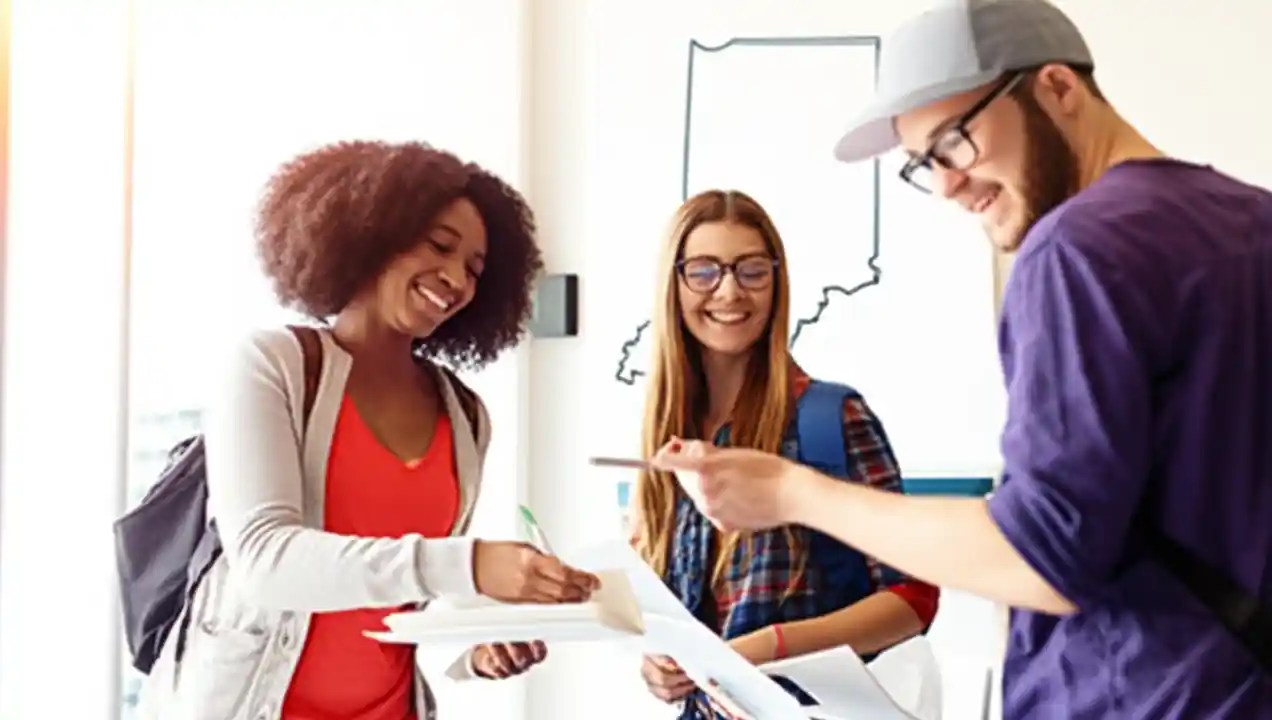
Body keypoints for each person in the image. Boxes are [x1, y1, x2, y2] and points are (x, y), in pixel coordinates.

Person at [650, 1, 1272, 718]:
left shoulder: (1079, 249)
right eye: (925, 163)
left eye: (956, 140)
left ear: (1058, 89)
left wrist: (794, 493)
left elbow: (1042, 554)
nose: (946, 184)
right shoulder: (1251, 223)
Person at [138, 140, 599, 720]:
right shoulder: (274, 364)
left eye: (475, 269)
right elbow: (265, 562)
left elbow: (406, 595)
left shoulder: (465, 415)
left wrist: (476, 640)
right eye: (440, 246)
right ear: (374, 230)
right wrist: (474, 564)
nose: (456, 278)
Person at [633, 190, 939, 718]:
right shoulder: (669, 447)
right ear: (674, 285)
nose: (729, 290)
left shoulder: (831, 418)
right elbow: (674, 619)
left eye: (751, 270)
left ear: (776, 282)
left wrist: (771, 646)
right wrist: (659, 665)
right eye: (703, 271)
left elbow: (913, 599)